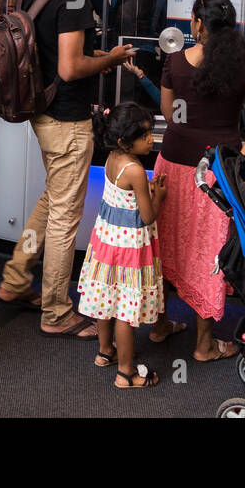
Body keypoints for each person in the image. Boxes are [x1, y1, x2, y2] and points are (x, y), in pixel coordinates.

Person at [0, 0, 135, 338]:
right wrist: (112, 59)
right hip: (67, 118)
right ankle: (56, 311)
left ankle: (16, 277)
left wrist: (92, 58)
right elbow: (71, 68)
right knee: (64, 218)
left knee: (52, 199)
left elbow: (50, 52)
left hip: (40, 109)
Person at [152, 0, 245, 360]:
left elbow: (169, 113)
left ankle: (159, 324)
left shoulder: (175, 61)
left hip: (172, 165)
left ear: (197, 24)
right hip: (215, 174)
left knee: (164, 245)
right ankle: (204, 345)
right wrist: (240, 160)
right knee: (209, 252)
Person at [80, 101, 166, 388]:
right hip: (129, 248)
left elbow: (123, 198)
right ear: (123, 140)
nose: (151, 140)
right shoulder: (136, 170)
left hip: (107, 242)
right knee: (125, 313)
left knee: (108, 299)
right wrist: (158, 196)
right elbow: (147, 216)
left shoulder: (112, 158)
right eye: (144, 135)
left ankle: (105, 352)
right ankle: (126, 373)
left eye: (150, 133)